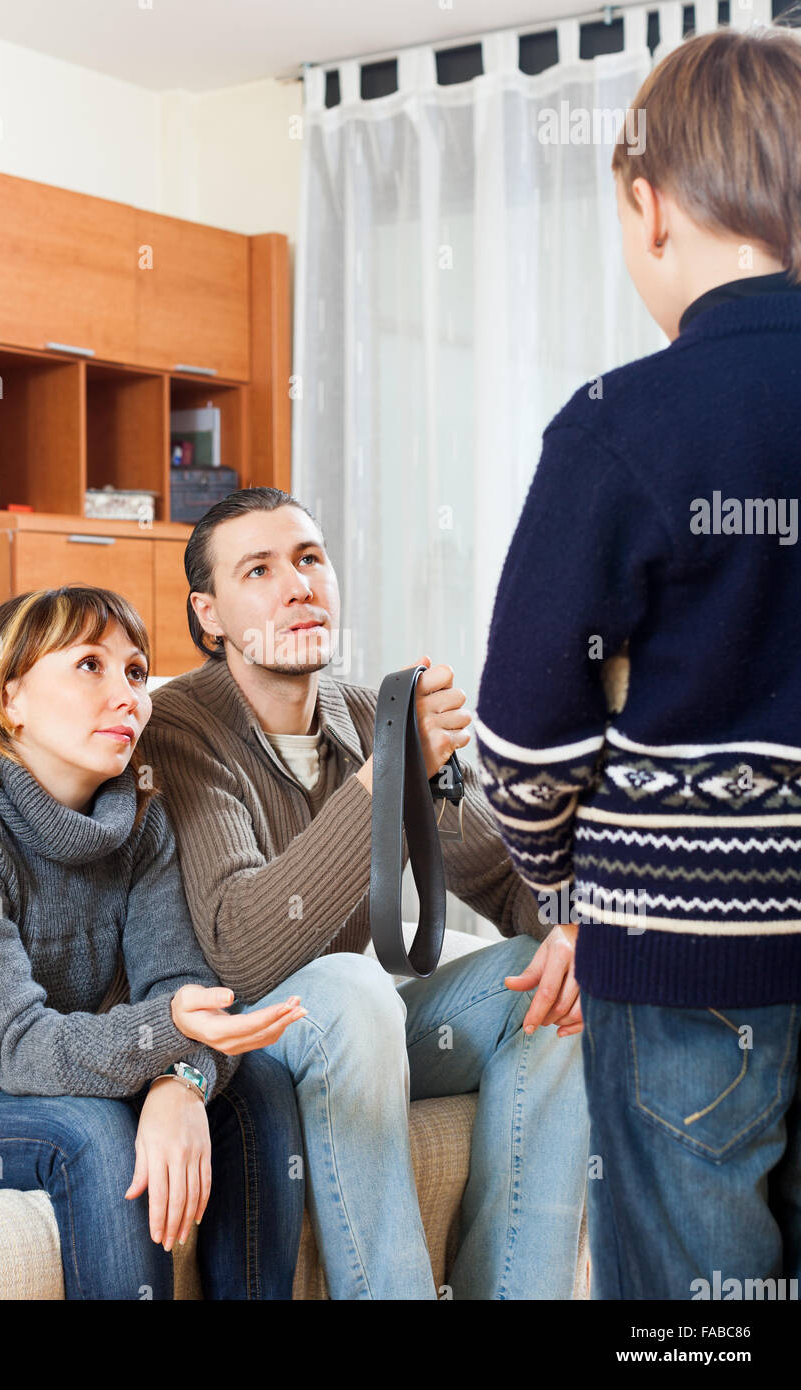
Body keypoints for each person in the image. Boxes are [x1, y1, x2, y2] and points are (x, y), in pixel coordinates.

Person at [472, 25, 801, 1300]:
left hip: (685, 966)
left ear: (650, 208)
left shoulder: (623, 425)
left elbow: (527, 742)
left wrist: (568, 888)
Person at [141, 486, 589, 1300]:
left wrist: (573, 925)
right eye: (259, 570)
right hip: (244, 1044)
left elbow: (505, 871)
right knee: (352, 985)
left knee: (550, 983)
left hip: (363, 1033)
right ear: (208, 615)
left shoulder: (369, 714)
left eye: (310, 559)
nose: (298, 585)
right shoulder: (176, 728)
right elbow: (238, 945)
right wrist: (390, 776)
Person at [0, 585, 305, 1300]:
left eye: (137, 672)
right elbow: (23, 1048)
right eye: (90, 666)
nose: (128, 694)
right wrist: (167, 1032)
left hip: (48, 1083)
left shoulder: (140, 824)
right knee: (89, 1132)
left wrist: (181, 1082)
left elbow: (183, 991)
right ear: (9, 695)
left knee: (255, 1083)